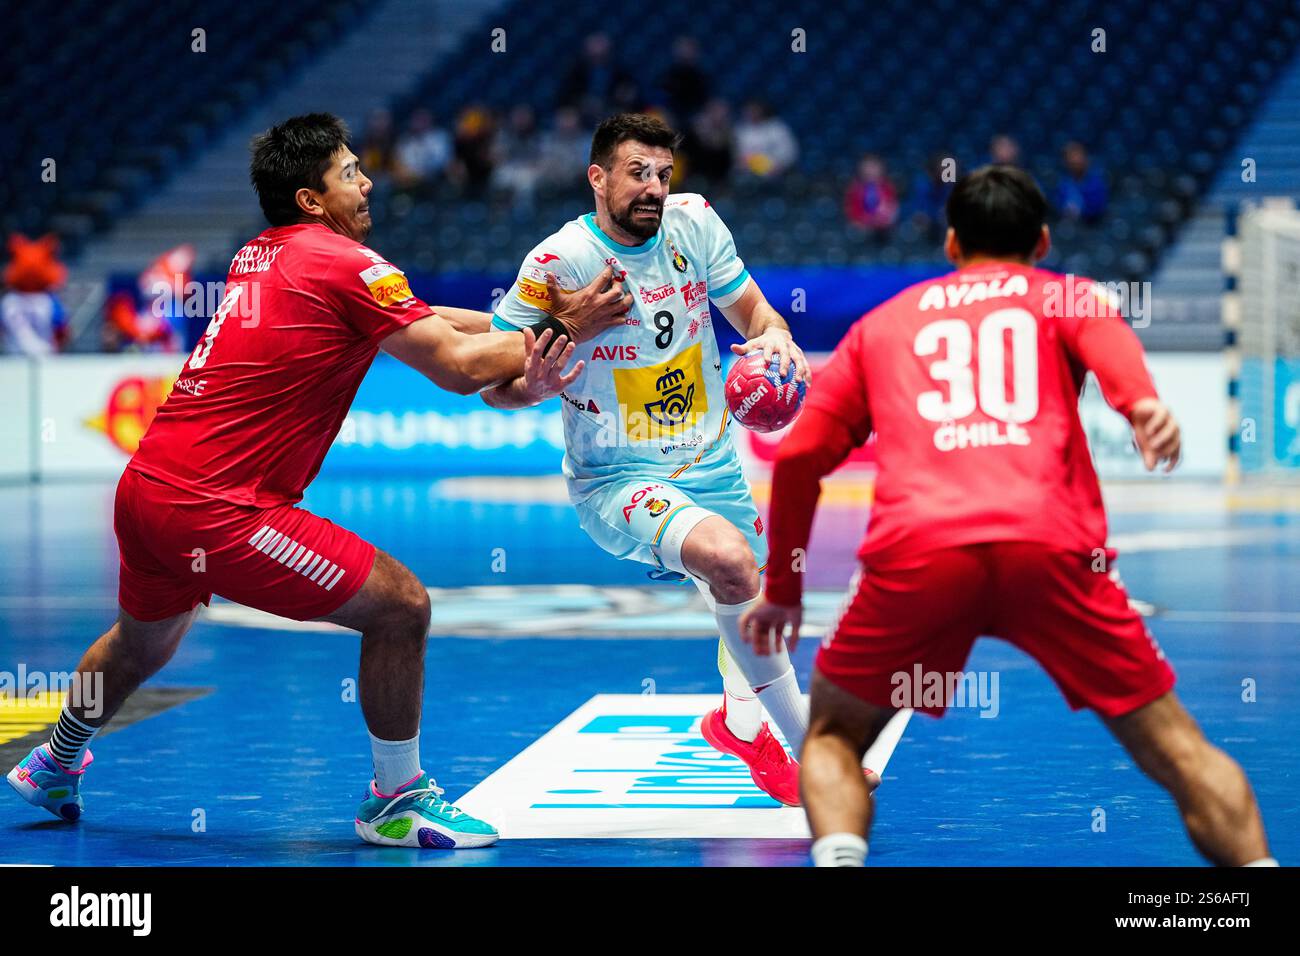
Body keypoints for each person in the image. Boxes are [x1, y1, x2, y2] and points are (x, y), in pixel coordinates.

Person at [5, 113, 631, 850]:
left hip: (148, 489)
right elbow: (459, 369)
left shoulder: (265, 254)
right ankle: (398, 800)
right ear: (311, 198)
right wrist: (570, 324)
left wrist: (534, 318)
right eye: (348, 173)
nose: (367, 183)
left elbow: (431, 319)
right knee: (400, 607)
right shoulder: (345, 264)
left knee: (140, 643)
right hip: (221, 507)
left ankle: (54, 760)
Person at [741, 165, 1275, 867]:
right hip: (1051, 550)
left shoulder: (884, 324)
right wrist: (1139, 404)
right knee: (1179, 750)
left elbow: (802, 453)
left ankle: (842, 858)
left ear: (953, 243)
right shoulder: (1067, 297)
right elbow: (1111, 349)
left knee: (835, 738)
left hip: (919, 554)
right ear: (1045, 241)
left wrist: (782, 589)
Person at [471, 113, 876, 805]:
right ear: (596, 177)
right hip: (618, 477)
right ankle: (812, 752)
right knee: (727, 560)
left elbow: (757, 315)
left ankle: (740, 728)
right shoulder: (558, 262)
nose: (654, 188)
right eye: (638, 174)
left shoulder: (694, 224)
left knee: (755, 595)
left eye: (663, 174)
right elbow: (491, 382)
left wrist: (776, 340)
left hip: (713, 463)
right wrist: (527, 388)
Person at [734, 100, 799, 179]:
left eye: (755, 109)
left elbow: (789, 152)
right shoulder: (740, 129)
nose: (752, 112)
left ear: (762, 110)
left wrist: (778, 166)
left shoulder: (776, 127)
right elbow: (735, 153)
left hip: (776, 173)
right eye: (749, 110)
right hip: (746, 175)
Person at [843, 154, 900, 236]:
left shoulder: (888, 188)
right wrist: (861, 222)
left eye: (874, 167)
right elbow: (851, 211)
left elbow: (893, 209)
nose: (871, 171)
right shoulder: (855, 189)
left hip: (884, 229)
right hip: (861, 230)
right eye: (867, 167)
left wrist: (884, 221)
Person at [1055, 141, 1108, 224]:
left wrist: (1080, 211)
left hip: (1090, 227)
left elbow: (1098, 209)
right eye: (1071, 158)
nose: (1075, 161)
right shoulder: (1062, 184)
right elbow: (1057, 205)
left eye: (1078, 157)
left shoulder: (1096, 183)